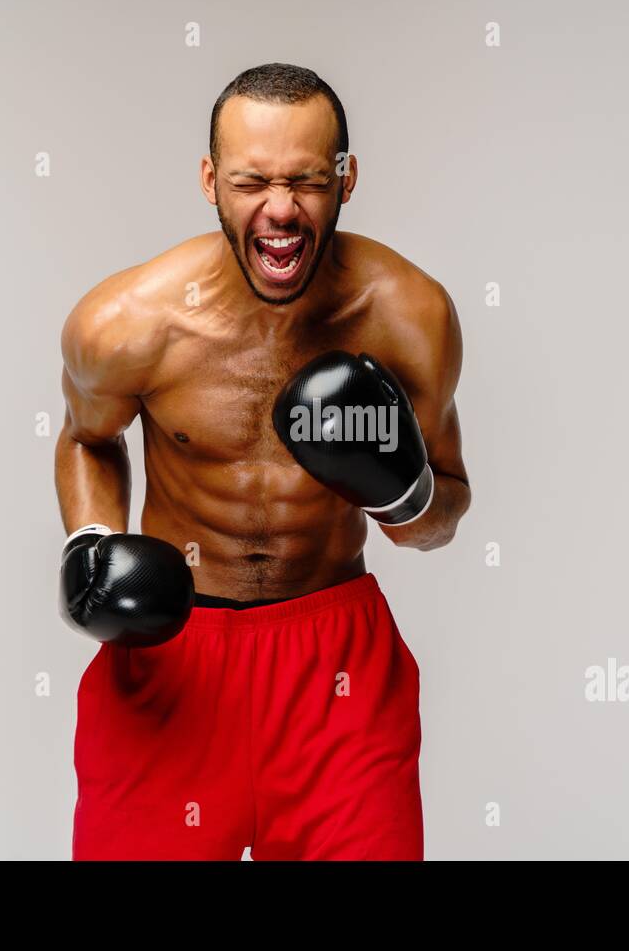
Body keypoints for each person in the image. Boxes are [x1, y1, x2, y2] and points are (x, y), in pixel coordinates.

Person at [54, 62, 470, 860]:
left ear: (346, 179)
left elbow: (441, 518)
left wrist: (403, 491)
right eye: (251, 181)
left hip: (333, 670)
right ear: (211, 179)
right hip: (172, 660)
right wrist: (88, 544)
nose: (280, 209)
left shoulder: (409, 314)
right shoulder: (124, 323)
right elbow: (86, 439)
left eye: (307, 180)